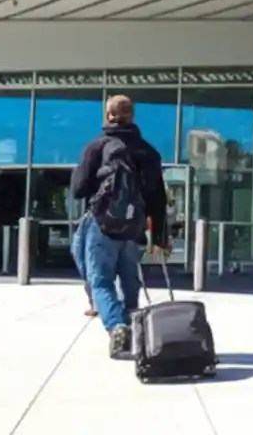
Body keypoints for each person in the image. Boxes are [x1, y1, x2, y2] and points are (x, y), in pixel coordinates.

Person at [70, 95, 170, 358]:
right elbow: (158, 198)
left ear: (108, 116)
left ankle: (116, 326)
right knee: (130, 281)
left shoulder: (97, 146)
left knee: (100, 280)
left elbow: (78, 190)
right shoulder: (149, 152)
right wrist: (158, 235)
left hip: (101, 224)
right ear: (132, 115)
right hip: (134, 227)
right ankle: (133, 326)